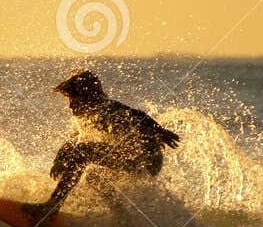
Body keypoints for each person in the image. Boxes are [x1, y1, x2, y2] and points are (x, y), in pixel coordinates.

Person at [33, 69, 180, 215]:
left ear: (88, 97)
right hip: (129, 156)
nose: (70, 106)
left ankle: (53, 206)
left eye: (73, 100)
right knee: (93, 176)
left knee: (84, 152)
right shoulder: (87, 116)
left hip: (144, 160)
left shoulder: (107, 108)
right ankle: (122, 217)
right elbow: (74, 141)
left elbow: (136, 114)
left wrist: (159, 131)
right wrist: (59, 160)